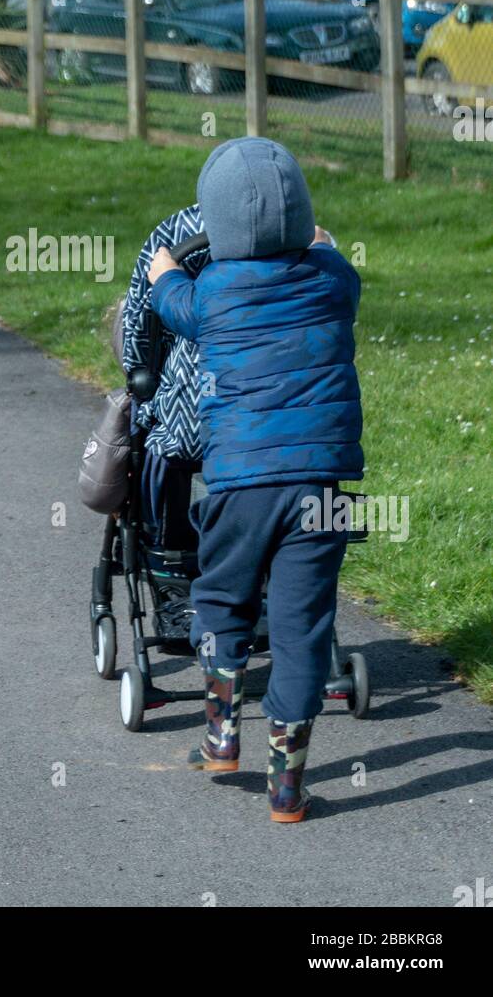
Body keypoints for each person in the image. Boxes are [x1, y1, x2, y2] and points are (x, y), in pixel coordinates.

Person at [147, 137, 363, 822]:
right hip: (320, 487)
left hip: (242, 483)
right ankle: (288, 786)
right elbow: (334, 259)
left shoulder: (209, 293)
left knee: (221, 598)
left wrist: (161, 271)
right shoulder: (333, 281)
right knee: (302, 627)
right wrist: (320, 242)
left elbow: (171, 306)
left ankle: (218, 735)